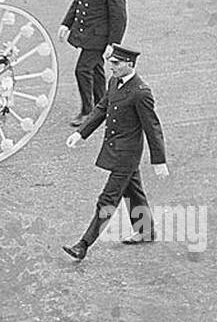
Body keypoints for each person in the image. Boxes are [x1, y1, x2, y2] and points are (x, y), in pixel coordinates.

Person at [62, 44, 168, 261]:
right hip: (116, 149)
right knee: (132, 190)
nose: (111, 66)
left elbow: (152, 127)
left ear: (129, 65)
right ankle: (146, 230)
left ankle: (83, 245)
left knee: (107, 199)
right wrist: (81, 133)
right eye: (111, 62)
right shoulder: (114, 82)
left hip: (127, 155)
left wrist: (159, 161)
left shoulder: (141, 93)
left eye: (116, 63)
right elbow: (101, 108)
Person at [57, 0, 127, 126]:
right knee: (96, 72)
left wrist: (113, 44)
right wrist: (66, 23)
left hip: (99, 39)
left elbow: (119, 18)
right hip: (87, 36)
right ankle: (104, 107)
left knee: (82, 70)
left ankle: (88, 112)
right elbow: (78, 2)